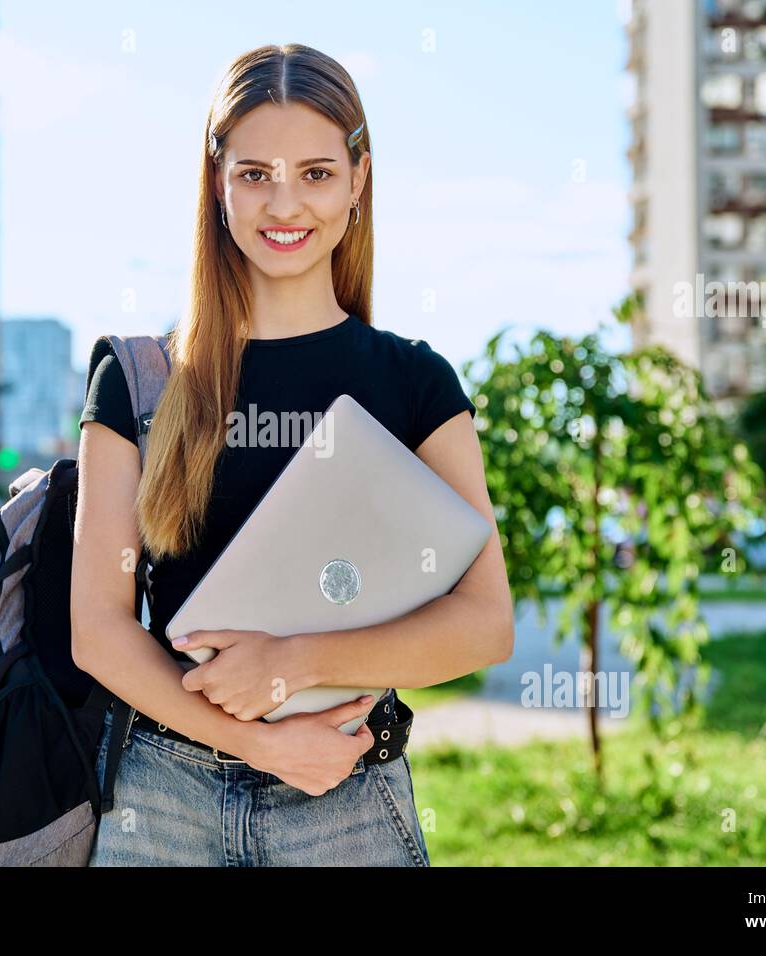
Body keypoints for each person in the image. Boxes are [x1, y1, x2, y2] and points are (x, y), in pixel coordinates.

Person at [72, 43, 514, 866]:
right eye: (254, 173)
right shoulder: (139, 378)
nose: (285, 202)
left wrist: (298, 661)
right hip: (164, 801)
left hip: (346, 798)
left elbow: (486, 623)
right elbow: (98, 628)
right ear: (217, 184)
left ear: (359, 181)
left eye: (315, 173)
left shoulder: (415, 383)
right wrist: (261, 744)